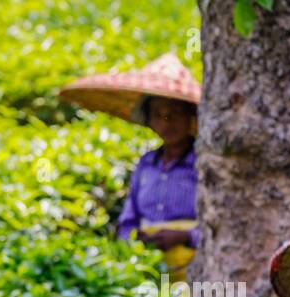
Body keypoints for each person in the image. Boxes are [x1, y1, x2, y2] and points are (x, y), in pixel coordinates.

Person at [58, 53, 201, 281]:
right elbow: (128, 219)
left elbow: (222, 225)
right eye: (159, 115)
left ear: (190, 117)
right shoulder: (146, 164)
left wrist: (185, 236)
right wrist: (134, 240)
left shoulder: (204, 164)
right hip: (147, 268)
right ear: (148, 120)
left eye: (175, 114)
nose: (167, 122)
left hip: (196, 271)